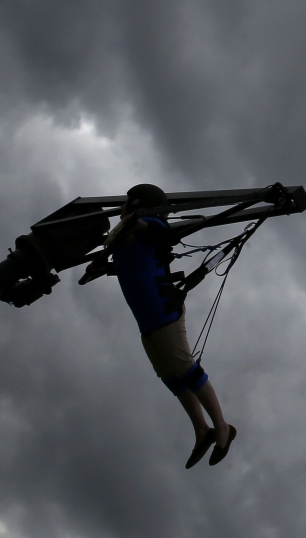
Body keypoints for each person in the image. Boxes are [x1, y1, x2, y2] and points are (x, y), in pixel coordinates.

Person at [107, 183, 237, 468]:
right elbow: (130, 263)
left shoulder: (150, 225)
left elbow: (163, 236)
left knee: (186, 370)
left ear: (139, 204)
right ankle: (202, 430)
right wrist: (100, 268)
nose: (121, 207)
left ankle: (223, 428)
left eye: (127, 202)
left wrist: (140, 224)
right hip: (147, 321)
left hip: (162, 313)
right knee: (172, 378)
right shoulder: (124, 236)